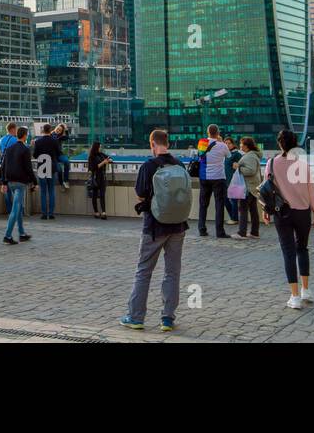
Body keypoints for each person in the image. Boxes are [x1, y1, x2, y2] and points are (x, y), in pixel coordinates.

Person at [121, 129, 189, 332]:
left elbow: (141, 195)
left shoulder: (149, 166)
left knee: (143, 272)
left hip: (154, 226)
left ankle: (135, 317)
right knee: (172, 273)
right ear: (167, 143)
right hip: (178, 225)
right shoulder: (179, 164)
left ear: (152, 143)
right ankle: (167, 319)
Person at [262, 129, 314, 308]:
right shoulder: (303, 165)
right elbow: (311, 191)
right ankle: (306, 290)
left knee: (288, 253)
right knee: (302, 249)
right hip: (303, 213)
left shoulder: (271, 163)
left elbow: (267, 191)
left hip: (282, 213)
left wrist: (266, 210)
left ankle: (294, 297)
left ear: (280, 143)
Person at [0, 127, 34, 245]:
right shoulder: (25, 149)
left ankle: (22, 233)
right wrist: (35, 182)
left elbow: (4, 166)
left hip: (10, 181)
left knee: (18, 207)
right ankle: (7, 235)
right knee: (15, 209)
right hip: (20, 182)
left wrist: (4, 182)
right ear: (25, 135)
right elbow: (29, 168)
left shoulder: (9, 149)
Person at [196, 124, 230, 238]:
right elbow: (228, 156)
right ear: (218, 132)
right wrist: (221, 141)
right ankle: (220, 232)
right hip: (218, 177)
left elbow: (200, 156)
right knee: (219, 204)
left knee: (203, 204)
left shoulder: (202, 142)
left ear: (208, 132)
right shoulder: (223, 145)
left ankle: (202, 229)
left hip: (204, 177)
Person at [233, 136, 262, 239]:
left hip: (247, 187)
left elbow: (251, 171)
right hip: (253, 187)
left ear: (246, 146)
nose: (240, 145)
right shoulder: (253, 155)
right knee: (253, 210)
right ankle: (254, 232)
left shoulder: (250, 156)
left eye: (241, 144)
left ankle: (242, 232)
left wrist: (238, 168)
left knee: (243, 209)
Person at [32, 124, 61, 220]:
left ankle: (44, 214)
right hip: (51, 167)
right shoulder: (55, 141)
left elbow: (35, 155)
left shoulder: (38, 141)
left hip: (42, 167)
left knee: (43, 192)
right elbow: (58, 153)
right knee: (51, 190)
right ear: (50, 130)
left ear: (43, 131)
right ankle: (51, 213)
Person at [86, 141, 112, 219]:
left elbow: (109, 158)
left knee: (102, 195)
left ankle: (103, 212)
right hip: (95, 177)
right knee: (94, 195)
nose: (101, 148)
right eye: (100, 146)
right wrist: (104, 162)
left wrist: (109, 160)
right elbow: (93, 168)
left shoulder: (101, 154)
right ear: (96, 147)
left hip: (102, 176)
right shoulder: (91, 156)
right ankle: (96, 212)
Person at [0, 121, 19, 212]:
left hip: (4, 166)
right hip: (13, 166)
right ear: (13, 129)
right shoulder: (15, 140)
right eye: (16, 129)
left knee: (6, 189)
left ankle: (10, 211)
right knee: (16, 191)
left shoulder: (1, 140)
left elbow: (1, 153)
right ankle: (17, 211)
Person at [223, 138, 241, 224]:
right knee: (225, 200)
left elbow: (241, 165)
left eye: (229, 143)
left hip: (234, 181)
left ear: (233, 144)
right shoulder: (226, 155)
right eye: (225, 143)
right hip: (225, 181)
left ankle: (234, 219)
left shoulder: (236, 154)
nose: (227, 145)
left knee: (233, 201)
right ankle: (232, 217)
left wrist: (238, 166)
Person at [53, 123, 71, 190]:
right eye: (58, 129)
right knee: (59, 170)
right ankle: (61, 184)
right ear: (56, 128)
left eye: (60, 130)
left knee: (67, 162)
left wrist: (66, 129)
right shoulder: (51, 135)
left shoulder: (60, 137)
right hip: (53, 157)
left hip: (60, 155)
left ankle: (66, 181)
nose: (58, 130)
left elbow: (67, 137)